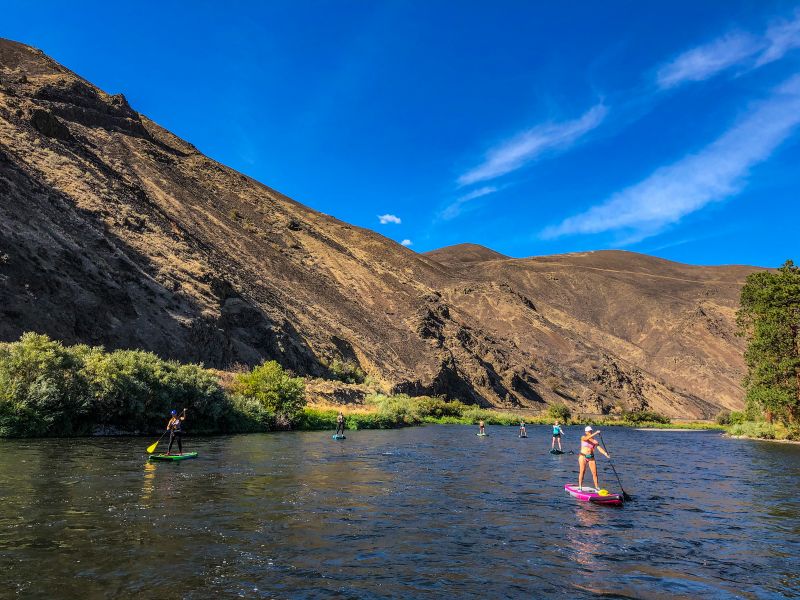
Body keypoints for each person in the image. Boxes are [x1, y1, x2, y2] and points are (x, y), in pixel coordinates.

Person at [578, 425, 610, 491]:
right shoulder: (583, 437)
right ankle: (580, 486)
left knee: (594, 473)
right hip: (583, 456)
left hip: (591, 457)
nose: (590, 432)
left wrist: (605, 453)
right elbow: (587, 438)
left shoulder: (595, 441)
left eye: (591, 431)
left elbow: (599, 448)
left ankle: (597, 487)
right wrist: (596, 433)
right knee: (582, 471)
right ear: (586, 432)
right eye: (589, 431)